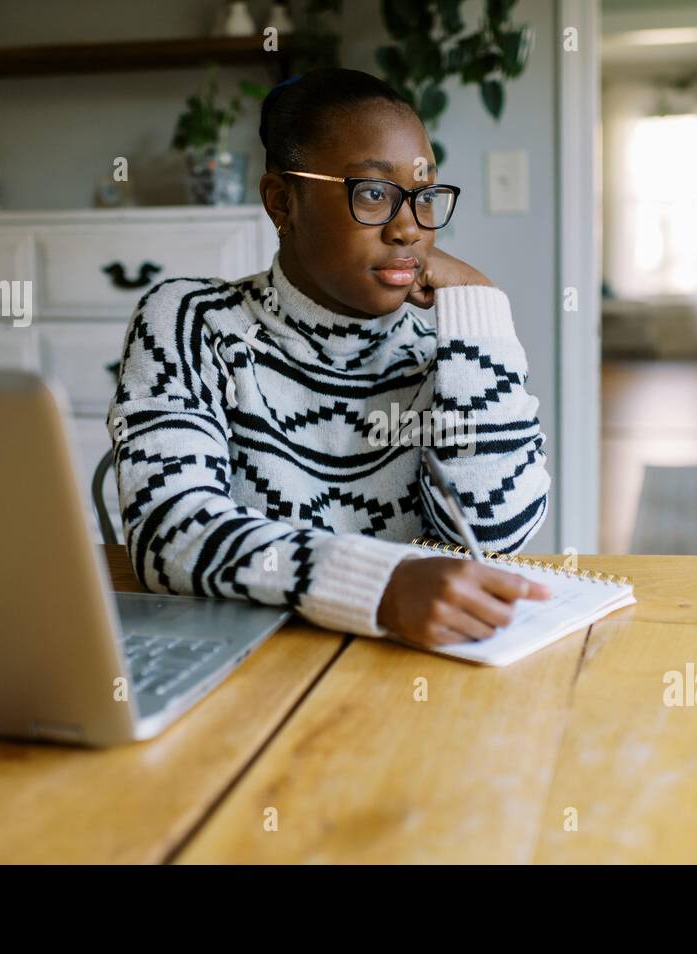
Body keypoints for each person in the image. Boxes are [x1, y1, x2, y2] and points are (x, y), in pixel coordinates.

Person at [108, 68, 552, 649]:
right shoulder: (191, 321)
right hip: (248, 665)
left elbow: (492, 540)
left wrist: (482, 311)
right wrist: (380, 586)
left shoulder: (447, 357)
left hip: (402, 668)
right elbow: (171, 535)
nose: (409, 228)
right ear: (281, 201)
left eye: (423, 195)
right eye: (372, 192)